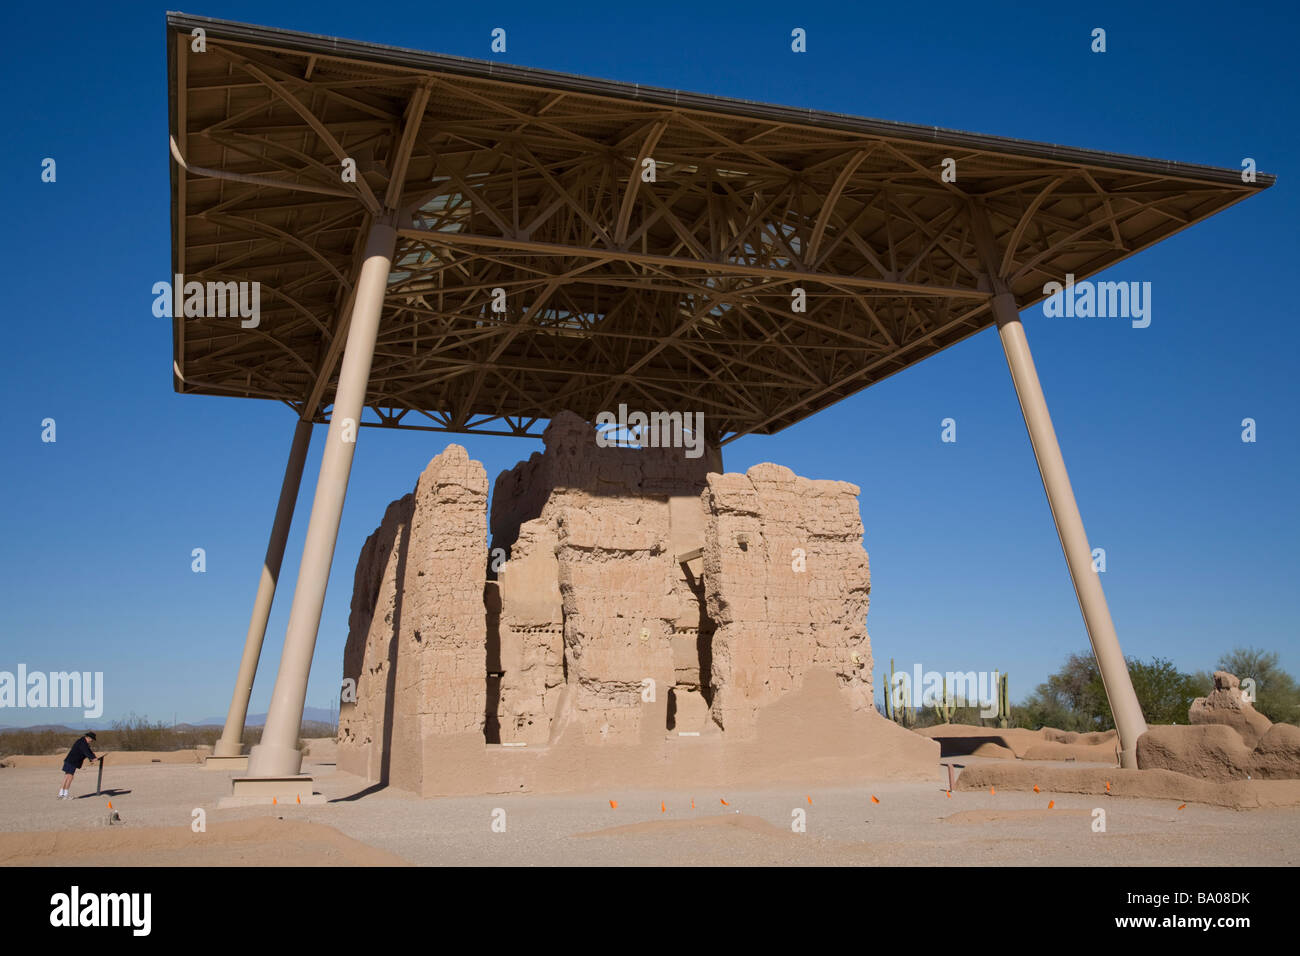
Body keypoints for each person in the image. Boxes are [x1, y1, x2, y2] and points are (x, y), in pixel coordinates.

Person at [58, 731, 98, 800]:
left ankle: (61, 794)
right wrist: (92, 758)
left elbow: (88, 751)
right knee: (70, 777)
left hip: (70, 761)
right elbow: (86, 751)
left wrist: (93, 757)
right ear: (88, 737)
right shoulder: (83, 743)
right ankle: (65, 795)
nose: (91, 741)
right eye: (91, 739)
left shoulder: (82, 741)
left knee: (67, 776)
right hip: (72, 761)